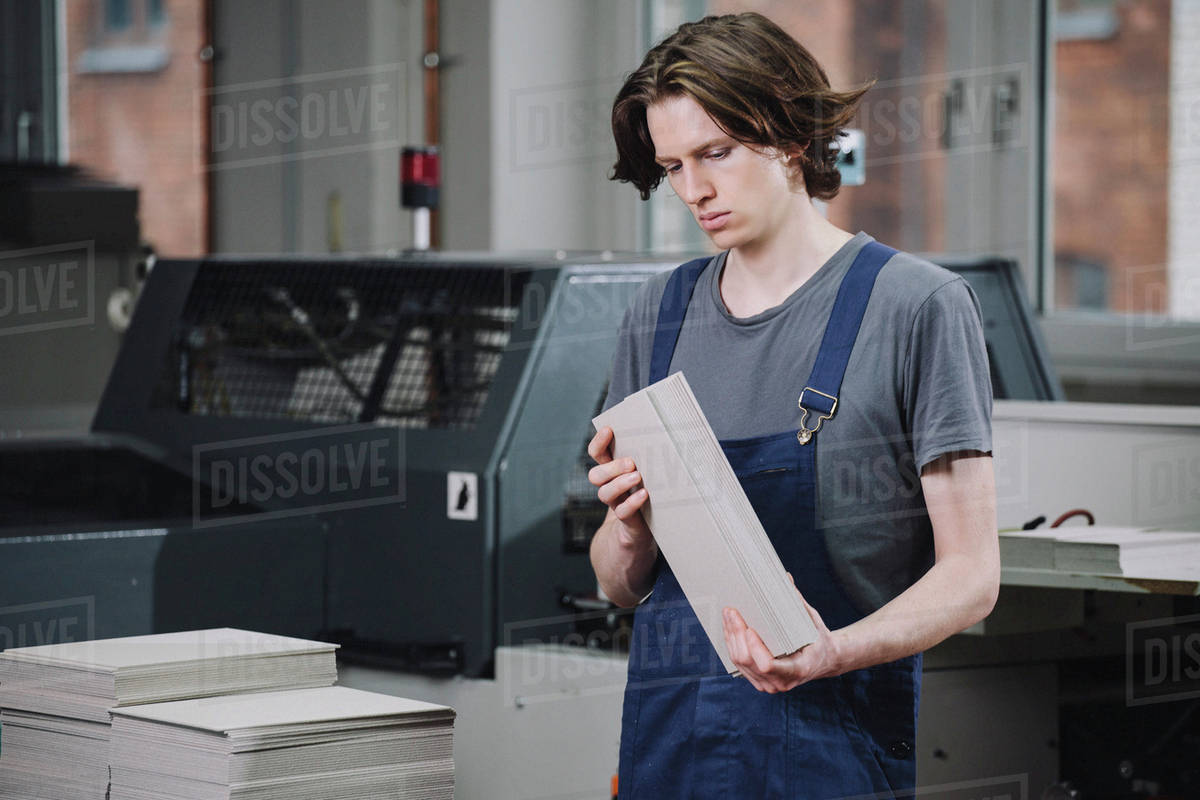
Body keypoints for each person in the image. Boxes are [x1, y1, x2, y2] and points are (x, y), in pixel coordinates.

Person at [587, 12, 999, 799]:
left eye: (717, 153)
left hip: (833, 748)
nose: (695, 190)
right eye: (673, 166)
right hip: (670, 749)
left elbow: (973, 576)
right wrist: (631, 525)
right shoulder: (658, 313)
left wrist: (830, 653)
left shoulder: (917, 306)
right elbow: (619, 583)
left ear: (793, 135)